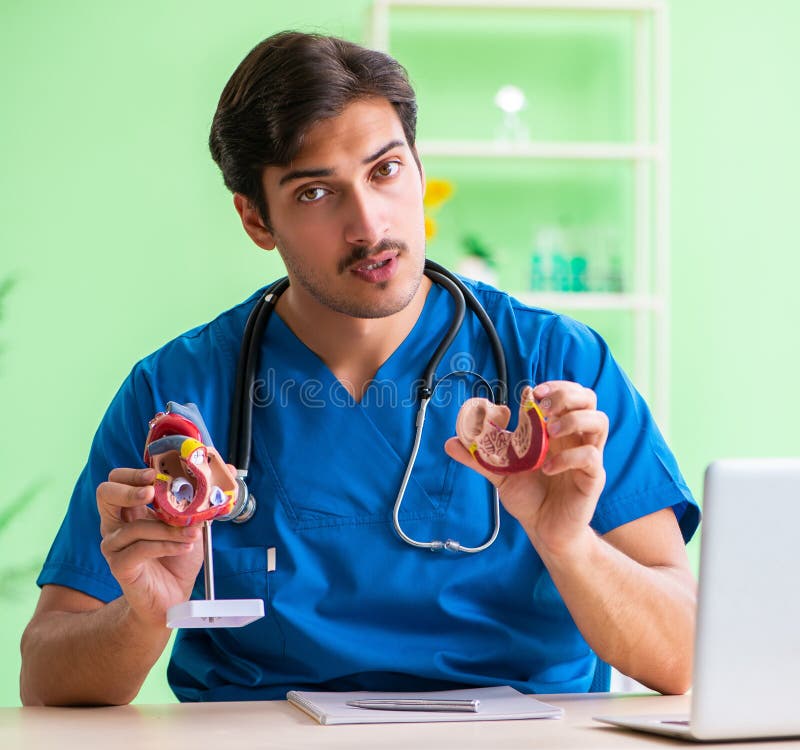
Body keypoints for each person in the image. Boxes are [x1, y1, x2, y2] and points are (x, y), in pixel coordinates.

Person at [19, 31, 699, 706]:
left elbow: (682, 655)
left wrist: (569, 544)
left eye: (385, 170)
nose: (369, 225)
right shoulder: (180, 393)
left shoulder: (553, 363)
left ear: (420, 169)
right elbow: (47, 679)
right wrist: (143, 616)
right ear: (257, 219)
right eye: (316, 193)